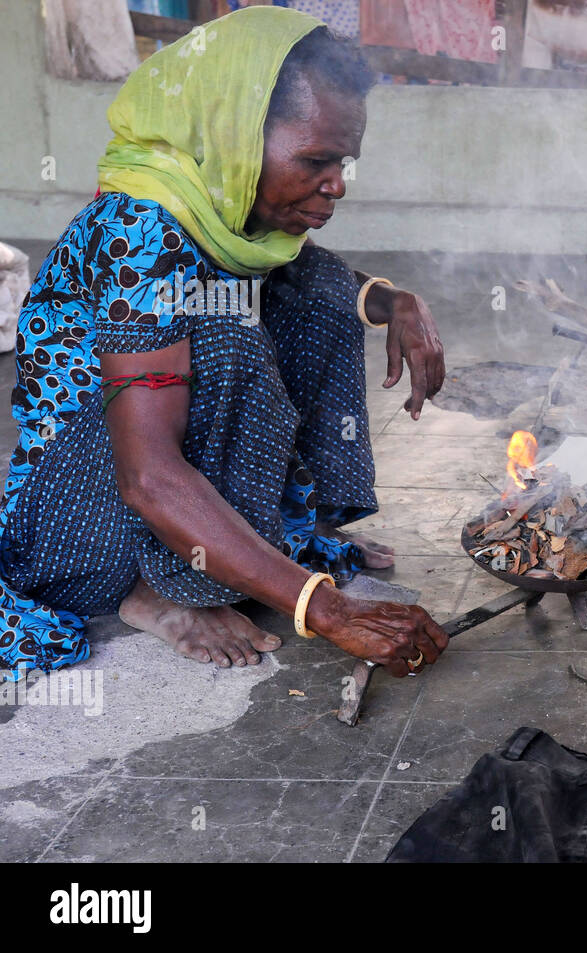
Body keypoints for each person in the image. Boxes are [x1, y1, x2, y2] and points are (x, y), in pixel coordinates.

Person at [0, 6, 449, 683]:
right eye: (317, 160)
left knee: (314, 294)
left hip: (130, 481)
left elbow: (303, 272)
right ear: (234, 135)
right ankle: (160, 587)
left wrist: (392, 301)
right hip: (76, 522)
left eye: (343, 161)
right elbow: (146, 474)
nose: (337, 185)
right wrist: (320, 606)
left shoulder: (217, 205)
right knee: (226, 328)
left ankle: (275, 537)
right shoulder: (142, 228)